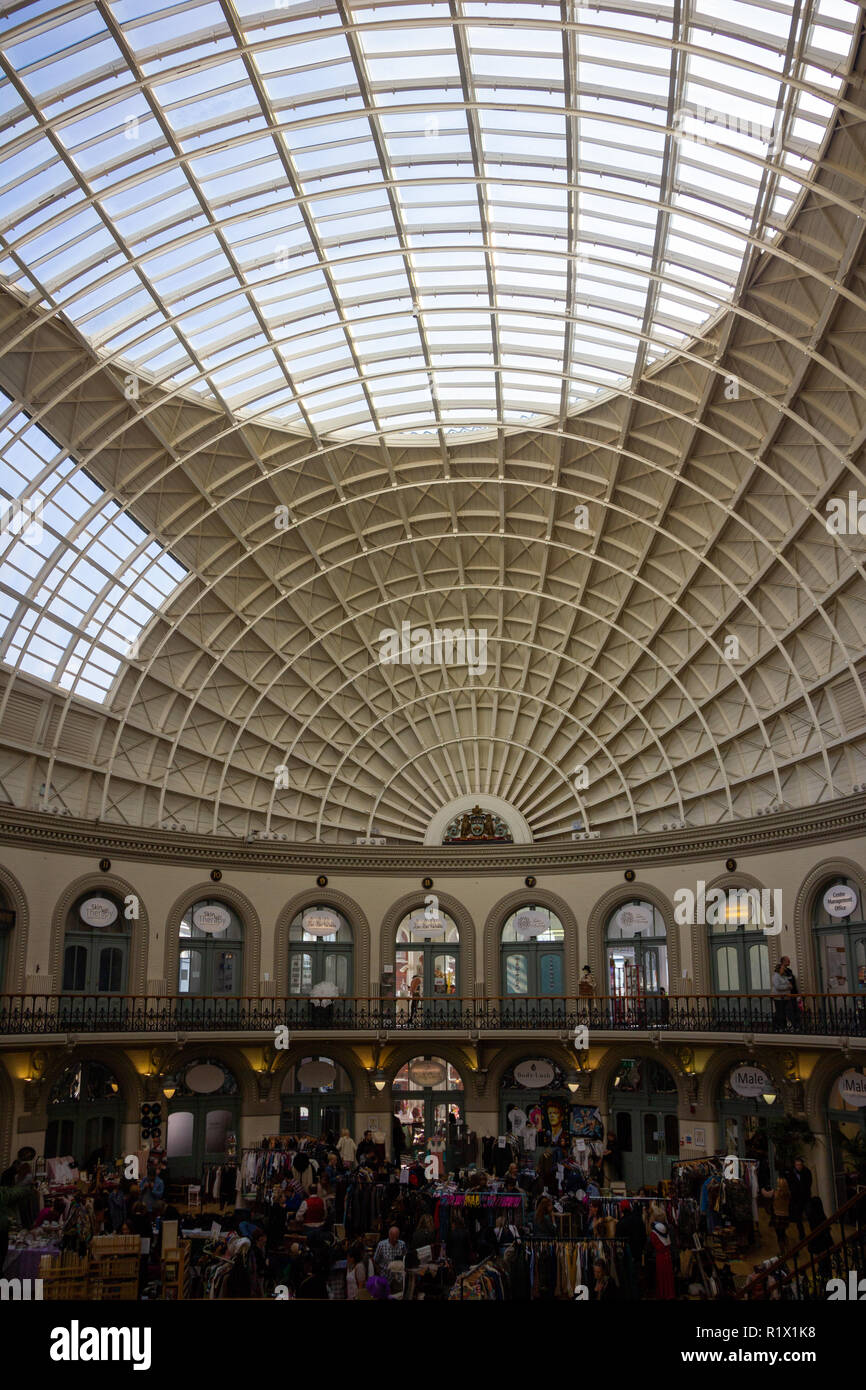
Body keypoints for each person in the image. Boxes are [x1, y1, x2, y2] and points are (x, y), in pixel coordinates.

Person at [786, 1157, 812, 1241]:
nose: (799, 1166)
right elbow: (790, 1184)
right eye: (797, 1165)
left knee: (809, 1214)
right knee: (798, 1218)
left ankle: (813, 1232)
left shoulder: (807, 1172)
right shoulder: (791, 1173)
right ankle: (802, 1234)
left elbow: (809, 1183)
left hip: (806, 1197)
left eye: (800, 1165)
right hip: (796, 1199)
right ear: (795, 1165)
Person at [649, 1219, 675, 1299]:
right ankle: (669, 1294)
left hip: (660, 1258)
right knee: (668, 1277)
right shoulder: (665, 1231)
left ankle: (663, 1294)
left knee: (662, 1277)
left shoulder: (653, 1234)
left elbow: (652, 1244)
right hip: (668, 1257)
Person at [771, 958, 795, 1030]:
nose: (784, 970)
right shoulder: (776, 976)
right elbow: (778, 987)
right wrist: (788, 986)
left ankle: (785, 1026)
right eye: (782, 968)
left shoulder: (784, 976)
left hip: (786, 997)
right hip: (778, 998)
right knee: (780, 1013)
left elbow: (789, 983)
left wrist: (789, 986)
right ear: (779, 969)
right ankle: (779, 1027)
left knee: (786, 1012)